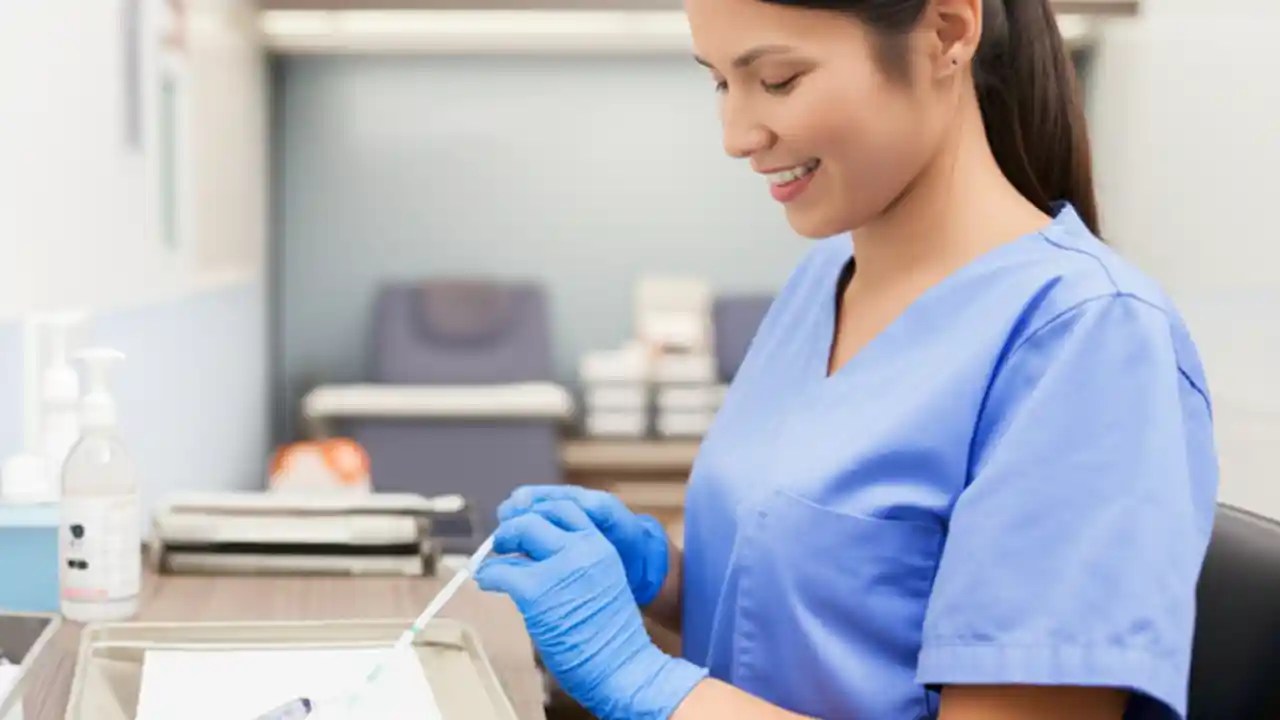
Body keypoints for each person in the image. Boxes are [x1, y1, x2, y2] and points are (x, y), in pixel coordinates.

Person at [474, 0, 1218, 717]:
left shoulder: (1084, 339)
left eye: (778, 80)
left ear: (947, 32)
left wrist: (638, 682)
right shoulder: (823, 283)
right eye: (719, 81)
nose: (736, 134)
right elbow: (801, 629)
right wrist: (658, 579)